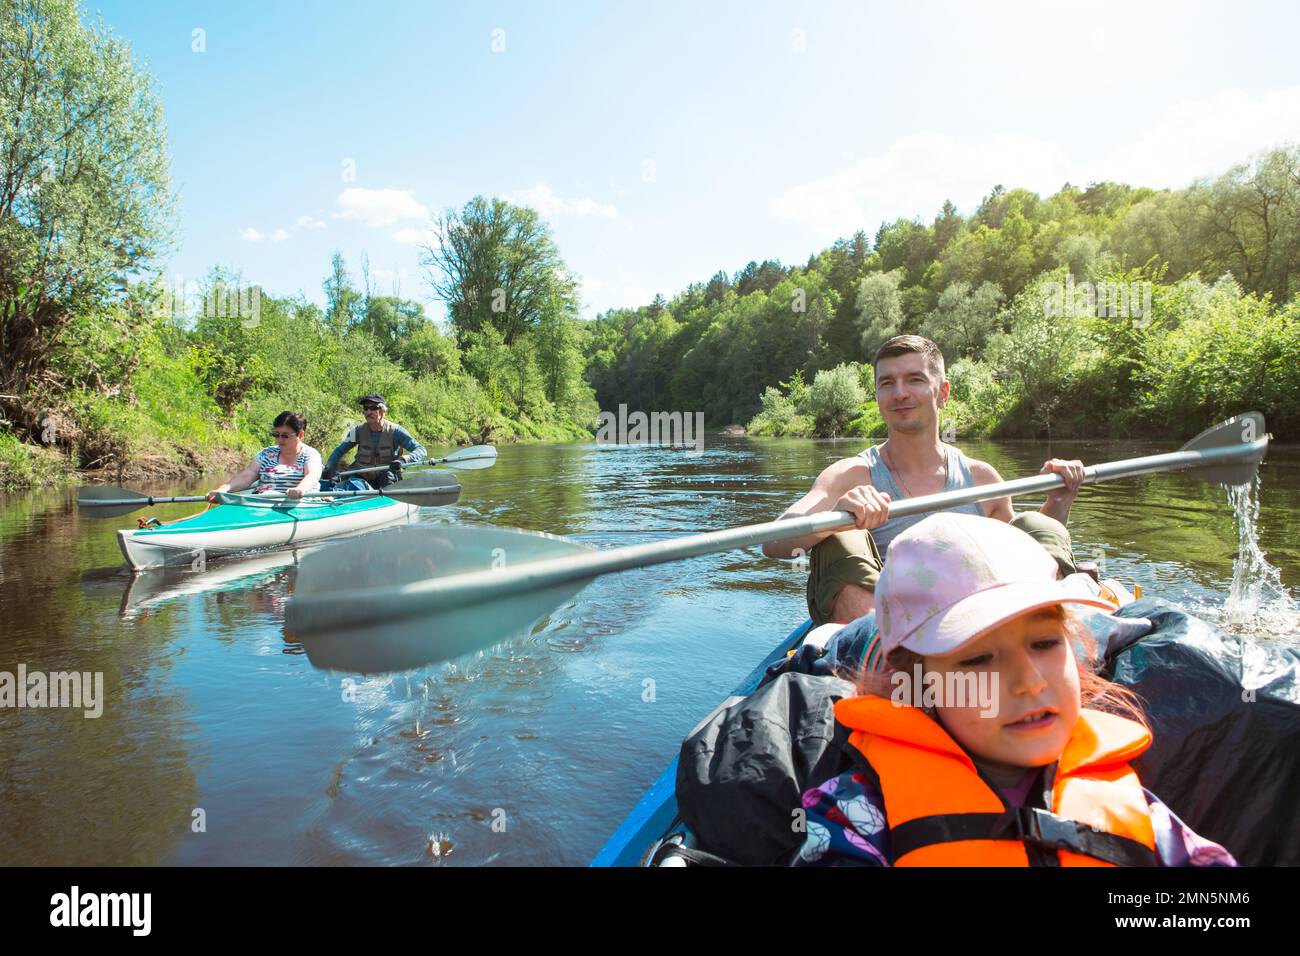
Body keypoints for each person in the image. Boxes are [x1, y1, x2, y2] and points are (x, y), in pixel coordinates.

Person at [793, 512, 1236, 866]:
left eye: (1044, 643)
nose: (1029, 681)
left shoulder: (1143, 810)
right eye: (977, 658)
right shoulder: (853, 816)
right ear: (917, 681)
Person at [763, 334, 1087, 629]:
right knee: (839, 538)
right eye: (887, 383)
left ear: (942, 392)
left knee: (1036, 524)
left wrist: (1060, 500)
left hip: (972, 621)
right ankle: (882, 656)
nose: (899, 393)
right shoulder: (850, 475)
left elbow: (1019, 559)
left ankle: (1044, 633)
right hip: (888, 627)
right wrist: (834, 517)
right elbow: (774, 543)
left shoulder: (982, 478)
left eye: (914, 379)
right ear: (877, 394)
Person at [207, 411, 322, 501]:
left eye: (285, 436)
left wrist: (300, 489)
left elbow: (312, 475)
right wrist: (223, 489)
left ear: (300, 435)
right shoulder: (266, 454)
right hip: (263, 503)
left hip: (297, 504)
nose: (279, 440)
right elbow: (247, 476)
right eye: (276, 435)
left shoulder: (311, 454)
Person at [322, 394, 427, 490]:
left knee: (388, 477)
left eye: (373, 408)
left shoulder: (397, 432)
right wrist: (328, 467)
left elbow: (421, 450)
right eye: (365, 408)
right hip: (361, 476)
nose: (368, 412)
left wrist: (405, 459)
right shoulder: (356, 432)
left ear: (382, 412)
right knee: (338, 478)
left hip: (386, 478)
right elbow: (340, 450)